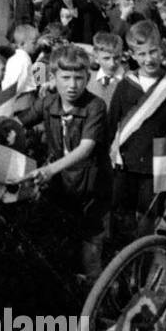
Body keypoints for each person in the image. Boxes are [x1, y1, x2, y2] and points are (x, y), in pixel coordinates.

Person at [19, 44, 111, 284]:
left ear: (87, 78)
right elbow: (19, 122)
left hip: (92, 188)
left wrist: (48, 170)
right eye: (65, 77)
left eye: (79, 78)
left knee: (91, 248)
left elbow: (85, 148)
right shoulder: (48, 103)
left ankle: (95, 307)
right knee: (61, 247)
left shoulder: (95, 106)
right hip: (62, 187)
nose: (72, 85)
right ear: (53, 77)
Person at [107, 21, 166, 240]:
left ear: (161, 49)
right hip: (125, 166)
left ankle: (143, 268)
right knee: (121, 220)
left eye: (153, 51)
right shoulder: (125, 86)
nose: (148, 59)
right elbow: (111, 124)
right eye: (141, 54)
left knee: (148, 222)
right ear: (132, 56)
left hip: (156, 167)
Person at [87, 32, 127, 108]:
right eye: (106, 58)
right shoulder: (88, 80)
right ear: (96, 58)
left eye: (116, 58)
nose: (112, 63)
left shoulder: (131, 80)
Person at [1, 23, 39, 93]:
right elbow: (17, 86)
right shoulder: (24, 60)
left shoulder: (11, 59)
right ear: (22, 44)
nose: (36, 45)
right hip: (23, 97)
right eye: (34, 43)